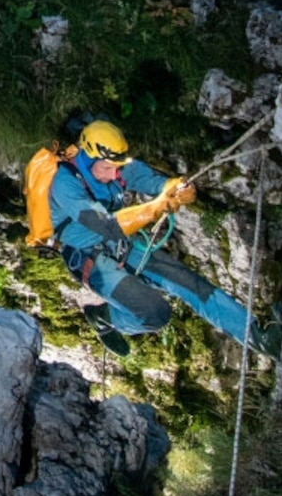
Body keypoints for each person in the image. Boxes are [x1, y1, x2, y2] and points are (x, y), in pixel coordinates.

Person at [34, 118, 263, 350]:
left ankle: (256, 334)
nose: (115, 175)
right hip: (87, 256)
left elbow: (155, 182)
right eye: (107, 168)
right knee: (156, 312)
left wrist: (177, 188)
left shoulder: (117, 167)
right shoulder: (64, 183)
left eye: (117, 168)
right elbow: (107, 225)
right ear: (87, 157)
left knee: (191, 284)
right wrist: (155, 208)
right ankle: (106, 317)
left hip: (123, 244)